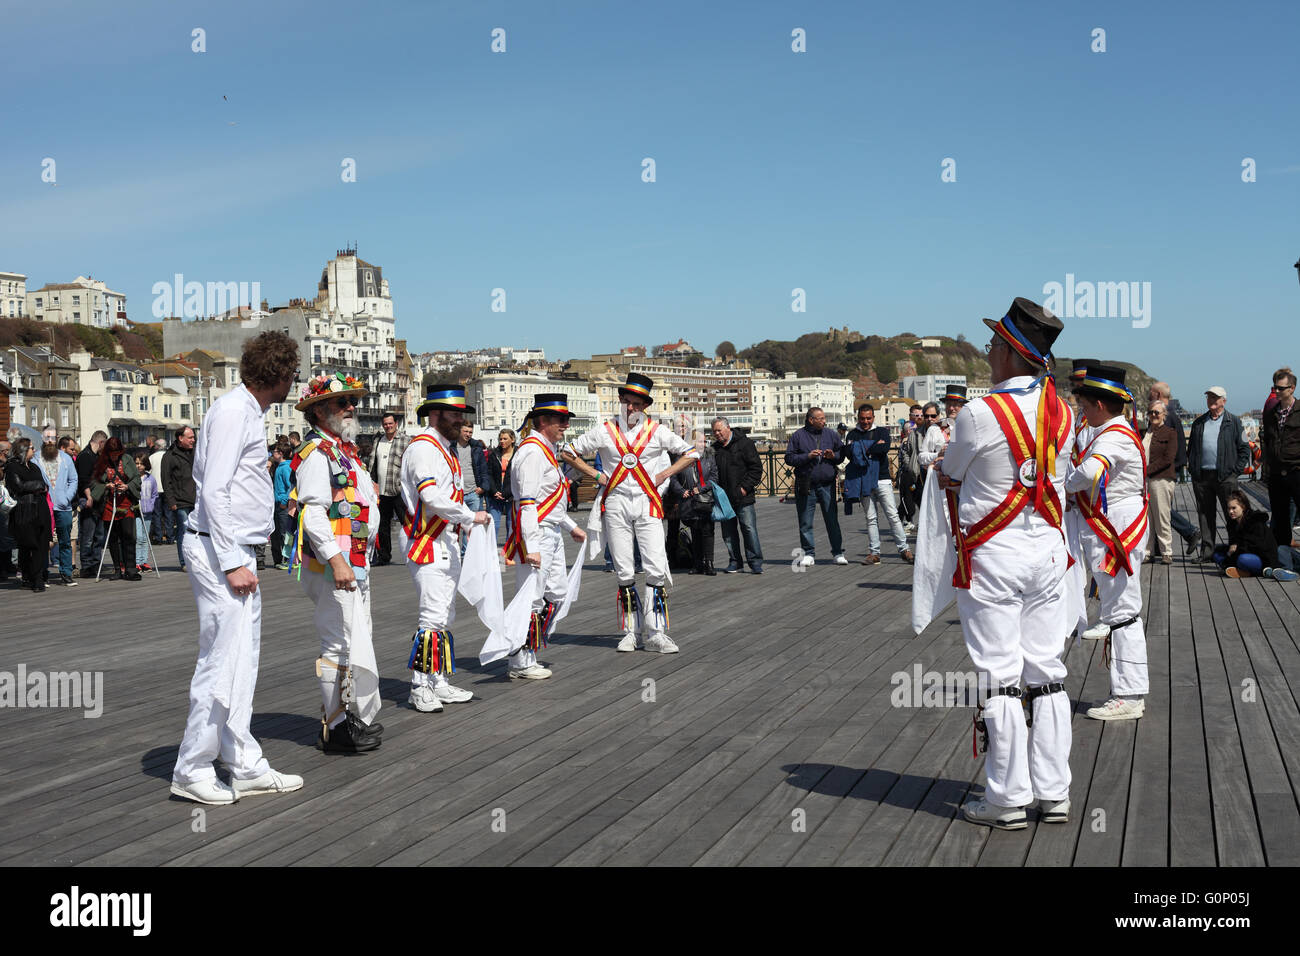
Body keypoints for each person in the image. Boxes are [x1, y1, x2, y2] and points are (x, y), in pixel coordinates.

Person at [941, 298, 1074, 830]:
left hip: (993, 556)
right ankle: (1055, 791)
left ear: (1013, 354)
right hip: (1047, 554)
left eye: (995, 343)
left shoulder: (977, 413)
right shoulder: (1062, 411)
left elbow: (952, 472)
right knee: (1049, 673)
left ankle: (1006, 799)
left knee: (999, 676)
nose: (988, 350)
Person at [171, 330, 303, 806]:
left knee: (242, 661)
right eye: (293, 373)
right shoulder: (231, 412)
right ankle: (192, 767)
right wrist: (230, 561)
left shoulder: (249, 412)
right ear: (280, 374)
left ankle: (243, 763)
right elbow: (213, 491)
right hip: (217, 550)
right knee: (222, 659)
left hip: (235, 549)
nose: (295, 382)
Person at [565, 372, 699, 653]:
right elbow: (568, 451)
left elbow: (691, 453)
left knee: (654, 566)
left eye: (636, 404)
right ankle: (630, 632)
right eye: (626, 402)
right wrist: (595, 474)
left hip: (647, 502)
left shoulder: (658, 431)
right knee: (624, 569)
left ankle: (656, 632)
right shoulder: (604, 430)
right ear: (620, 401)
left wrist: (664, 473)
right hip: (615, 502)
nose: (630, 408)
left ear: (644, 406)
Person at [289, 373, 384, 753]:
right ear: (318, 411)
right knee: (338, 642)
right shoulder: (316, 455)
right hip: (335, 568)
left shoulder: (342, 451)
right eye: (342, 402)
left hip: (353, 563)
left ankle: (348, 718)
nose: (351, 408)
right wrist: (337, 561)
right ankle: (336, 728)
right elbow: (312, 514)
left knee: (353, 640)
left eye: (352, 402)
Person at [401, 385, 491, 711]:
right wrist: (470, 515)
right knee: (432, 616)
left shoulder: (446, 448)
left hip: (446, 540)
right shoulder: (424, 448)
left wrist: (466, 524)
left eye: (461, 414)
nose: (459, 420)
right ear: (435, 413)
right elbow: (432, 498)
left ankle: (437, 680)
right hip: (427, 540)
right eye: (454, 414)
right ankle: (418, 686)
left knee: (445, 615)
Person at [1067, 364, 1149, 721]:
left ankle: (1129, 694)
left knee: (1123, 611)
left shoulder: (1111, 435)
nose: (1082, 411)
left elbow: (1089, 473)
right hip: (1113, 522)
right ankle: (1125, 690)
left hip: (1115, 527)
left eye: (1084, 404)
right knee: (1119, 608)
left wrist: (1060, 486)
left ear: (1099, 404)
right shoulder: (1115, 428)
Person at [502, 393, 588, 677]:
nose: (565, 424)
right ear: (543, 421)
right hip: (536, 532)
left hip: (550, 530)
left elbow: (549, 499)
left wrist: (571, 527)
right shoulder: (531, 452)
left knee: (557, 592)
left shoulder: (545, 450)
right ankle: (520, 658)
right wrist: (531, 544)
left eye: (565, 419)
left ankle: (529, 648)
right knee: (532, 596)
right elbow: (527, 502)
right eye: (560, 419)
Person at [845, 403, 914, 566]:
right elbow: (849, 454)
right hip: (863, 479)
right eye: (862, 418)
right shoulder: (852, 434)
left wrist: (860, 448)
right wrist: (871, 447)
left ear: (873, 418)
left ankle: (904, 549)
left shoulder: (882, 431)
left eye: (868, 418)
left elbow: (883, 448)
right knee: (870, 518)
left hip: (882, 479)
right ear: (858, 418)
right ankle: (874, 553)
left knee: (893, 515)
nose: (865, 421)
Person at [1187, 386, 1249, 560]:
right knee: (1205, 515)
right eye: (1209, 397)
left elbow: (1244, 448)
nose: (1211, 400)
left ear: (1224, 401)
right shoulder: (1198, 423)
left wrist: (1235, 471)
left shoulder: (1234, 422)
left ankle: (1234, 550)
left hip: (1226, 477)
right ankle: (1207, 552)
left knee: (1232, 513)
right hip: (1202, 477)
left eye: (1215, 397)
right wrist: (1193, 469)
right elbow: (1191, 448)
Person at [785, 406, 847, 567]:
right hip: (806, 484)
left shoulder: (831, 434)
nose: (824, 421)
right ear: (811, 420)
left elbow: (841, 453)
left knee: (832, 519)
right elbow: (789, 458)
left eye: (824, 418)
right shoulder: (798, 436)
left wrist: (834, 456)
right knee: (805, 520)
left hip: (827, 483)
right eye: (820, 418)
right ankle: (808, 553)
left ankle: (838, 552)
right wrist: (807, 456)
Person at [1148, 381, 1199, 550]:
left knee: (1159, 507)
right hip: (1170, 466)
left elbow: (1161, 448)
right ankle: (1156, 545)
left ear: (1158, 395)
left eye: (1151, 393)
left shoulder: (1164, 416)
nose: (1149, 395)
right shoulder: (1171, 414)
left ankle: (1189, 531)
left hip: (1164, 469)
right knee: (1159, 506)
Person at [711, 417, 764, 574]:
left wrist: (744, 488)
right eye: (714, 431)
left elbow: (756, 469)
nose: (717, 434)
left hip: (743, 496)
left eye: (719, 430)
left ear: (728, 428)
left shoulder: (745, 444)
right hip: (723, 498)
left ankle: (755, 562)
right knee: (728, 532)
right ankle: (735, 561)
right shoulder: (715, 449)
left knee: (749, 529)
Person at [1213, 489, 1299, 580]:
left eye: (1234, 508)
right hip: (1243, 551)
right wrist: (1232, 547)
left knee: (1242, 559)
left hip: (1263, 557)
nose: (1230, 512)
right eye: (1229, 508)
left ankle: (1264, 571)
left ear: (1243, 507)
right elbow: (1234, 543)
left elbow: (1256, 547)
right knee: (1216, 554)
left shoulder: (1254, 522)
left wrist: (1235, 551)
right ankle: (1243, 570)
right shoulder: (1232, 523)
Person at [5, 438, 54, 592]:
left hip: (40, 509)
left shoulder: (34, 467)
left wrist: (37, 486)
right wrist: (37, 486)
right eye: (32, 448)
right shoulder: (12, 467)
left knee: (40, 544)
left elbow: (44, 485)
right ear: (23, 449)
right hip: (24, 511)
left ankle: (38, 579)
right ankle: (27, 576)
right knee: (27, 545)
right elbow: (18, 486)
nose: (34, 450)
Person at [90, 438, 142, 581]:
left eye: (117, 453)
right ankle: (117, 569)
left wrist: (127, 486)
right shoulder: (102, 462)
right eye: (112, 453)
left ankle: (130, 569)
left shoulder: (127, 459)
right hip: (109, 504)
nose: (114, 456)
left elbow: (137, 479)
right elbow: (94, 482)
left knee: (128, 535)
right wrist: (106, 486)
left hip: (126, 503)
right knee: (113, 538)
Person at [1261, 368, 1300, 549]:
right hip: (1277, 473)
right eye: (1274, 387)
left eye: (1280, 388)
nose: (1276, 391)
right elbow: (1268, 440)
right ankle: (1285, 561)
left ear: (1291, 388)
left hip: (1296, 471)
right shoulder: (1271, 414)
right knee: (1281, 519)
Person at [366, 412, 410, 567]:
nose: (388, 426)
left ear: (396, 423)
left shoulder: (405, 440)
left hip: (398, 489)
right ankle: (384, 556)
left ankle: (412, 553)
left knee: (407, 523)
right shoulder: (378, 440)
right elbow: (373, 463)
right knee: (382, 525)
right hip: (381, 490)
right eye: (385, 424)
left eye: (390, 423)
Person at [674, 433, 718, 575]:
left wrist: (701, 489)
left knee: (707, 531)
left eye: (704, 441)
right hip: (688, 500)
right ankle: (697, 563)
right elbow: (673, 478)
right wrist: (681, 491)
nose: (703, 444)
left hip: (705, 499)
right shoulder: (681, 457)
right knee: (695, 531)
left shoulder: (709, 457)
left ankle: (709, 563)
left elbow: (714, 478)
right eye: (700, 441)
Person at [1143, 402, 1178, 564]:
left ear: (1164, 414)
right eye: (1151, 412)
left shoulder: (1170, 433)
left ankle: (1166, 552)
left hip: (1161, 479)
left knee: (1162, 516)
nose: (1154, 415)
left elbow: (1168, 459)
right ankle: (1148, 551)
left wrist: (1146, 471)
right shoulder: (1144, 433)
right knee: (1146, 518)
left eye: (1157, 412)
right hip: (1144, 481)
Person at [162, 427, 197, 570]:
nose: (193, 440)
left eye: (193, 437)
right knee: (183, 530)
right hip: (180, 501)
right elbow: (166, 480)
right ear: (180, 438)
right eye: (190, 438)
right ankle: (184, 562)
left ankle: (196, 560)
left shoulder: (196, 453)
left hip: (196, 499)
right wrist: (172, 502)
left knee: (196, 533)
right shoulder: (169, 456)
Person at [46, 437, 79, 585]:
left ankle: (66, 573)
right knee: (44, 541)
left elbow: (73, 479)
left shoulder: (66, 458)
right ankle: (42, 572)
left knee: (65, 541)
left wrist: (67, 497)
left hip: (64, 506)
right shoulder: (37, 459)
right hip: (47, 506)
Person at [75, 430, 107, 578]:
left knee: (98, 535)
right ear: (100, 442)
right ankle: (87, 565)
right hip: (88, 499)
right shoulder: (85, 457)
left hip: (99, 499)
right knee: (88, 535)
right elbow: (83, 480)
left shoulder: (96, 457)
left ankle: (96, 563)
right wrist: (88, 496)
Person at [485, 428, 517, 562]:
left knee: (511, 525)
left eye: (505, 439)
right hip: (495, 495)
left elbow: (518, 476)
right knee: (494, 524)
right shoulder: (494, 454)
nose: (502, 441)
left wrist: (507, 492)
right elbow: (488, 474)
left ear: (512, 440)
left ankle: (507, 556)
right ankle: (490, 556)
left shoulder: (518, 454)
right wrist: (494, 491)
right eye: (501, 439)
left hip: (511, 494)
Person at [270, 440, 293, 570]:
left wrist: (284, 502)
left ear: (280, 453)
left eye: (275, 451)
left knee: (285, 533)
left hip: (282, 505)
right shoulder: (278, 467)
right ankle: (278, 559)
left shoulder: (285, 468)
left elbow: (290, 487)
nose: (273, 453)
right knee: (276, 533)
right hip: (277, 504)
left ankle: (288, 559)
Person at [135, 454, 158, 573]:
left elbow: (155, 494)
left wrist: (151, 505)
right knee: (138, 537)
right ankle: (137, 561)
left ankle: (144, 561)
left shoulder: (151, 479)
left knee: (145, 538)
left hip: (147, 511)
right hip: (137, 512)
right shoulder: (133, 478)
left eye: (141, 463)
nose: (139, 466)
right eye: (137, 463)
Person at [917, 402, 945, 468]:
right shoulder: (915, 433)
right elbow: (920, 457)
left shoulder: (948, 428)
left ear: (938, 416)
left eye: (933, 416)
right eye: (926, 416)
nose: (930, 419)